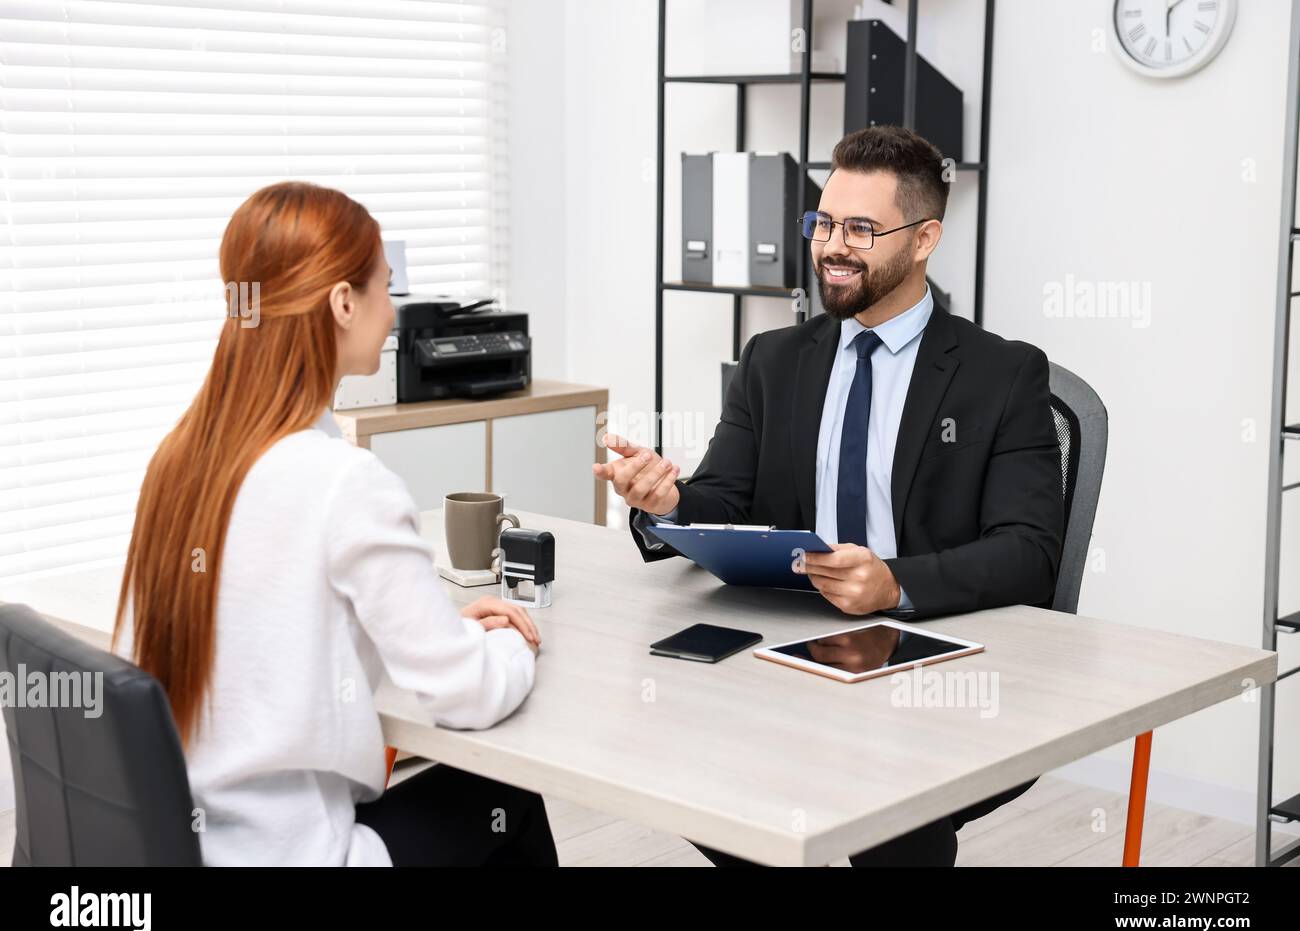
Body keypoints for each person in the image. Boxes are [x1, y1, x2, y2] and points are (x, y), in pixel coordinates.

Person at [595, 125, 1064, 866]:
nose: (832, 246)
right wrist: (669, 503)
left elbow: (1030, 552)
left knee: (894, 813)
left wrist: (895, 581)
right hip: (790, 645)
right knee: (681, 764)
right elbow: (726, 499)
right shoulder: (773, 360)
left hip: (930, 659)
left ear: (924, 238)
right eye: (824, 223)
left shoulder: (1001, 374)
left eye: (861, 228)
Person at [113, 182, 557, 867]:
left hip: (194, 847)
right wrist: (516, 649)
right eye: (384, 288)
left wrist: (443, 629)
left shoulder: (180, 459)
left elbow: (279, 632)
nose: (392, 313)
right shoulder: (343, 482)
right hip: (296, 854)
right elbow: (467, 695)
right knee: (512, 799)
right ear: (343, 303)